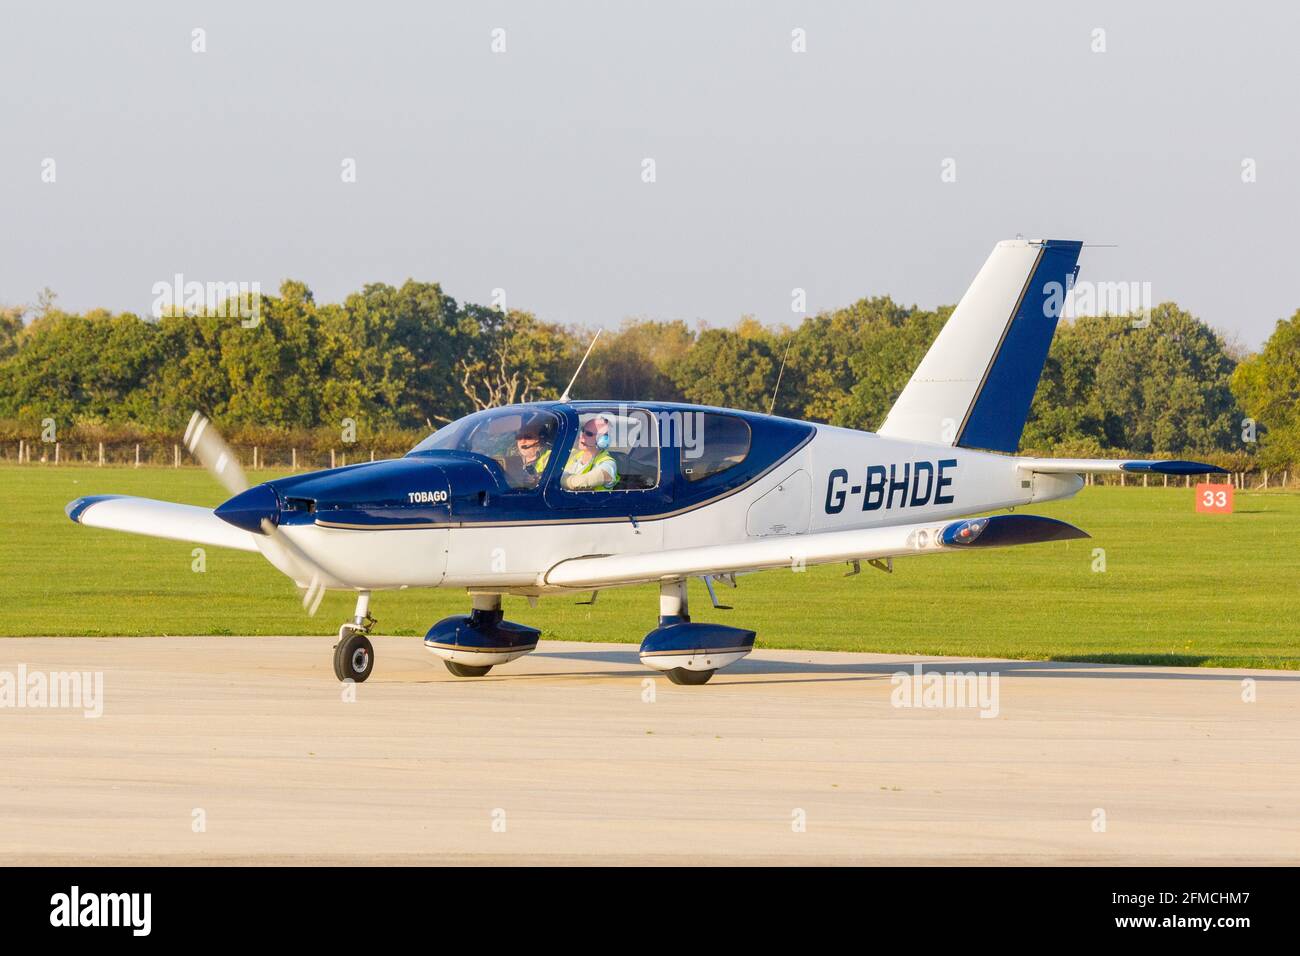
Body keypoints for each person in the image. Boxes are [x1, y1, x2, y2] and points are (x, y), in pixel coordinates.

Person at [561, 415, 619, 491]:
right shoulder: (573, 454)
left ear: (602, 440)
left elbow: (579, 483)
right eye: (582, 430)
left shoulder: (608, 465)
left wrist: (556, 479)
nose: (582, 436)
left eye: (588, 434)